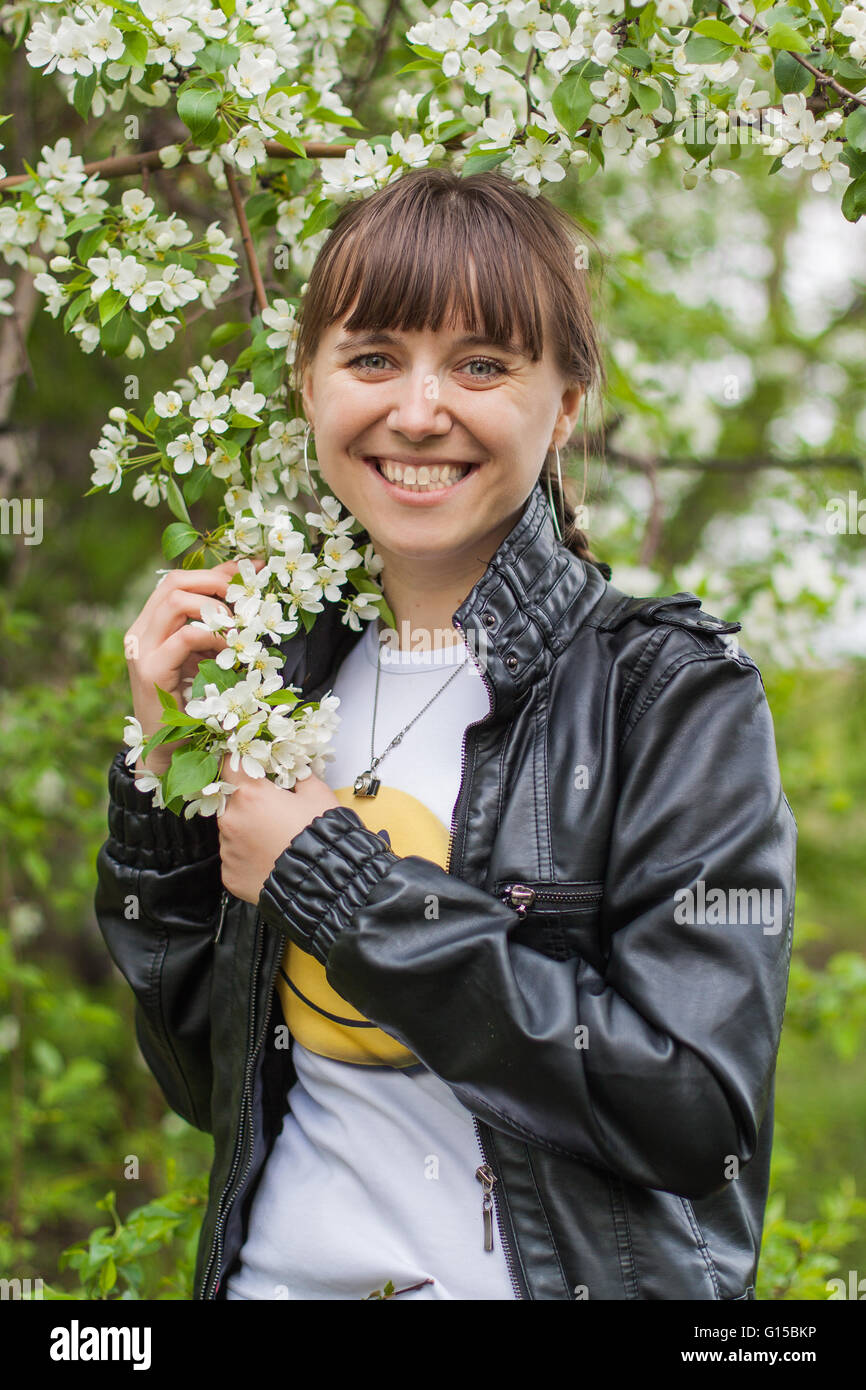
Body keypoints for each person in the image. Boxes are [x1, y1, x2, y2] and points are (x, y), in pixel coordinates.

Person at [94, 167, 797, 1301]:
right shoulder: (269, 675)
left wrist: (340, 885)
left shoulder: (666, 694)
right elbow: (206, 1083)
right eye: (372, 357)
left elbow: (691, 1109)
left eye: (481, 365)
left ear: (563, 403)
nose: (418, 411)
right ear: (306, 382)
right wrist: (165, 796)